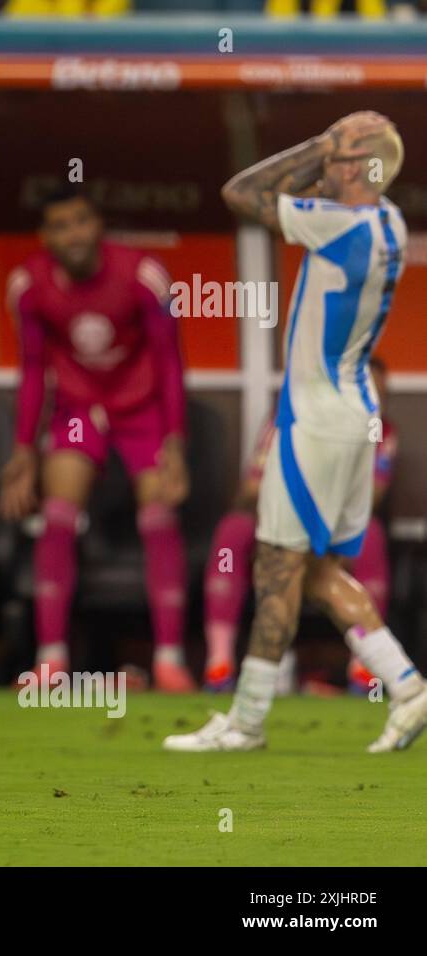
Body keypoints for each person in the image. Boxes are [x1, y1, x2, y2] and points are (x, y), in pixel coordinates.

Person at [165, 111, 425, 754]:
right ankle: (410, 687)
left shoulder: (340, 224)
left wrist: (312, 146)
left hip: (317, 419)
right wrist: (342, 153)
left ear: (365, 169)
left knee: (276, 568)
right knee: (316, 572)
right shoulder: (387, 220)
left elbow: (241, 193)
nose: (327, 168)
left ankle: (247, 722)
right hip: (349, 413)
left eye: (342, 159)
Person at [0, 184, 195, 692]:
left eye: (82, 221)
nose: (74, 234)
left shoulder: (143, 275)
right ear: (46, 236)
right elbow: (33, 369)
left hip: (140, 407)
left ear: (99, 224)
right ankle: (51, 659)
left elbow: (170, 362)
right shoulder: (29, 284)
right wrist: (23, 450)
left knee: (159, 512)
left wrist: (175, 442)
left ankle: (170, 659)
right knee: (58, 515)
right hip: (80, 409)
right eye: (61, 226)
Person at [201, 357, 398, 693]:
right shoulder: (289, 422)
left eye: (378, 392)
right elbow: (251, 488)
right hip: (276, 523)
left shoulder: (379, 431)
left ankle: (367, 670)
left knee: (372, 536)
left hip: (334, 531)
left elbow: (372, 495)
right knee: (234, 529)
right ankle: (220, 665)